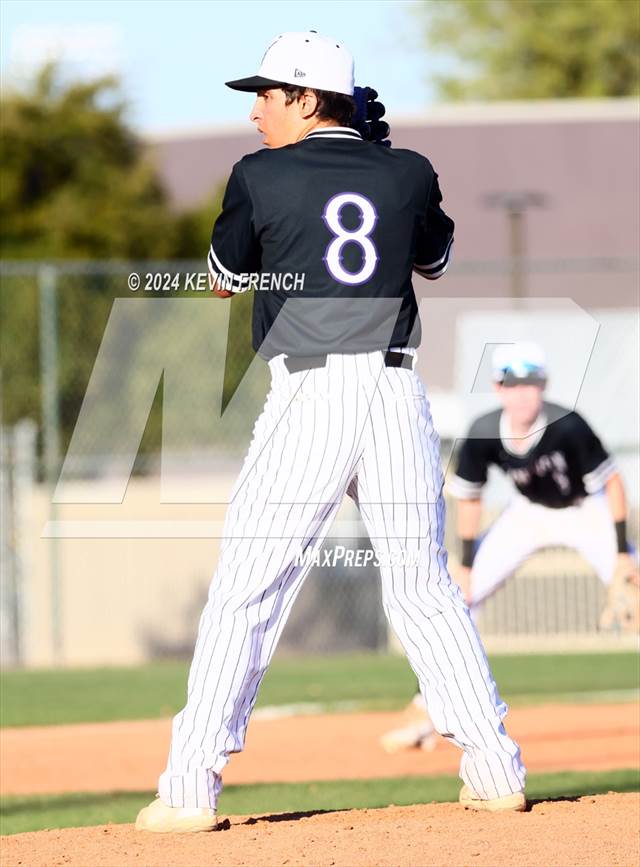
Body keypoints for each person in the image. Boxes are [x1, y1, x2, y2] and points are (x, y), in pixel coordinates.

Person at [135, 31, 526, 833]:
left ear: (308, 99)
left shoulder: (259, 174)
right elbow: (436, 259)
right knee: (423, 586)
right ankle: (495, 770)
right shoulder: (408, 170)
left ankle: (189, 789)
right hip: (396, 391)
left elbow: (222, 281)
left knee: (248, 589)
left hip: (311, 393)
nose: (255, 112)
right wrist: (376, 164)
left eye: (267, 95)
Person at [380, 340, 639, 754]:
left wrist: (623, 552)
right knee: (458, 598)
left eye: (530, 383)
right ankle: (426, 710)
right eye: (512, 384)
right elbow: (470, 498)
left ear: (543, 386)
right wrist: (467, 564)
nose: (522, 393)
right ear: (497, 388)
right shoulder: (484, 430)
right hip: (527, 514)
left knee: (635, 591)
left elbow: (612, 483)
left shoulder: (568, 425)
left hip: (583, 510)